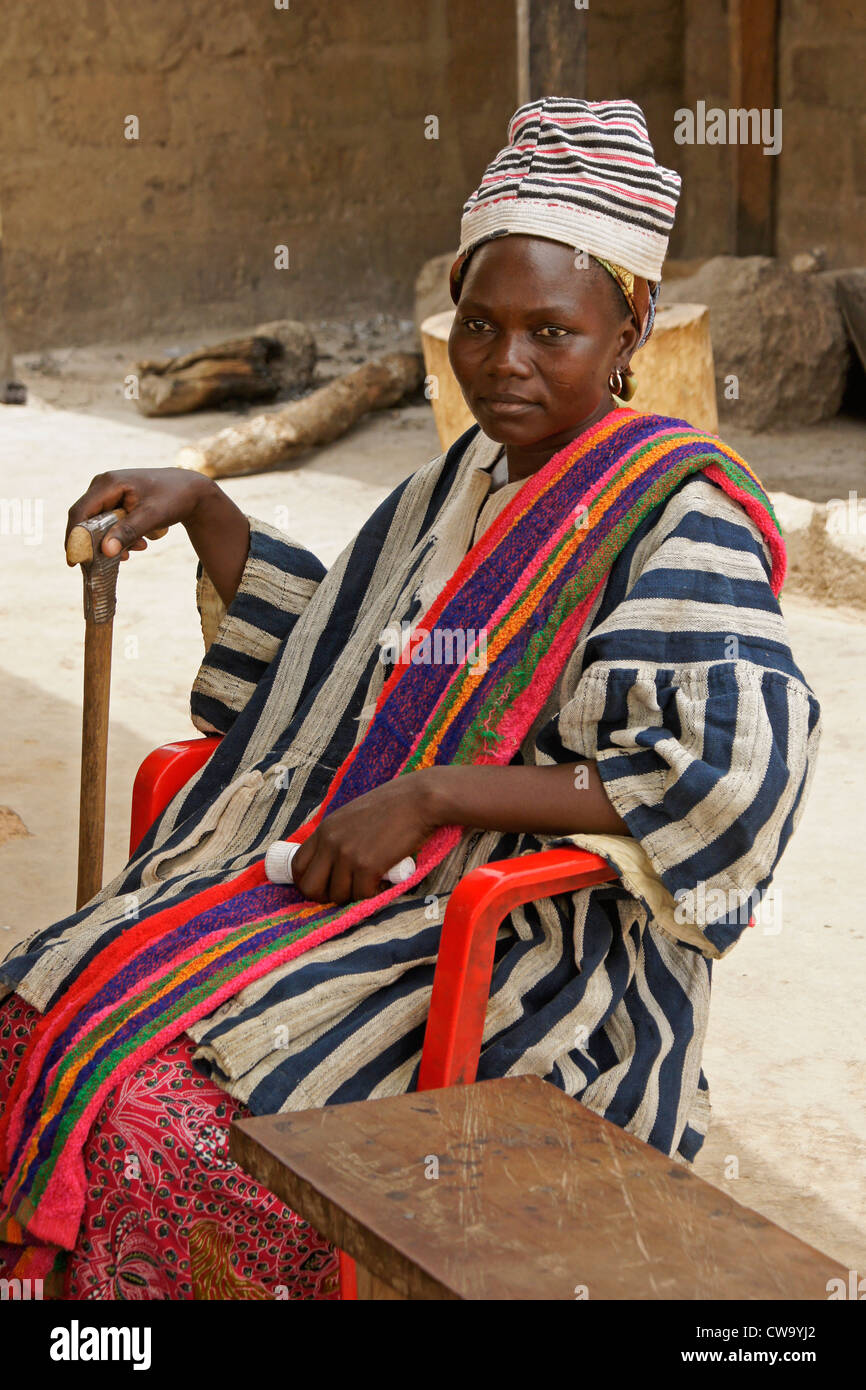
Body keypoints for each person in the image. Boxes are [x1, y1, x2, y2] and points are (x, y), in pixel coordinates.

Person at [0, 98, 820, 1300]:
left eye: (552, 330)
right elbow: (341, 667)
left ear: (630, 324)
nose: (504, 363)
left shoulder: (680, 512)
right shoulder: (463, 474)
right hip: (360, 876)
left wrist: (433, 795)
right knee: (38, 996)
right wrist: (209, 509)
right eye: (478, 327)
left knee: (172, 1122)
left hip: (519, 939)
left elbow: (714, 780)